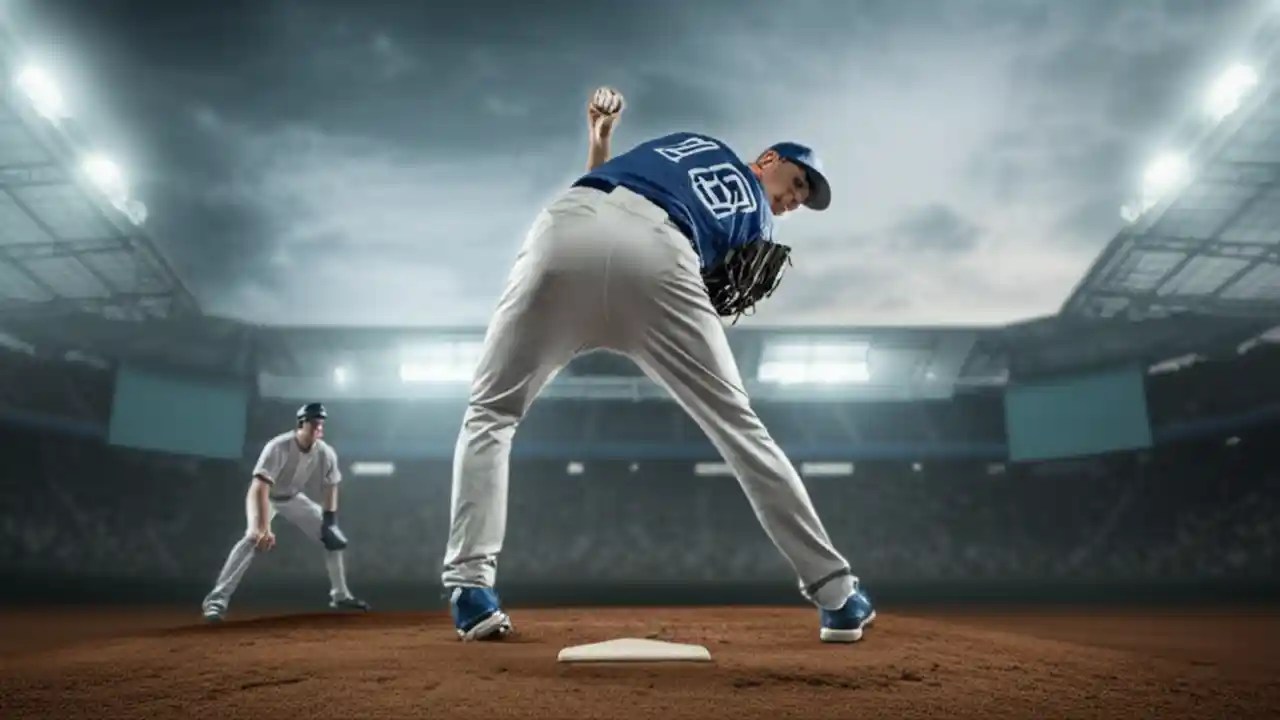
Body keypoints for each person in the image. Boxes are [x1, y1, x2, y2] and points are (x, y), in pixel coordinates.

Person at [441, 87, 874, 643]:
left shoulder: (692, 141)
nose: (793, 199)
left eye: (801, 197)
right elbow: (707, 281)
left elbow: (611, 190)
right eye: (795, 182)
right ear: (767, 159)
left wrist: (599, 139)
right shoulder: (760, 222)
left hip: (566, 228)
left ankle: (470, 592)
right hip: (660, 260)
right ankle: (836, 594)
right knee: (742, 432)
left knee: (491, 413)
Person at [201, 402, 370, 622]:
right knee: (252, 538)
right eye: (314, 422)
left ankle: (340, 595)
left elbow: (331, 486)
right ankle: (216, 602)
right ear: (302, 423)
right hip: (264, 497)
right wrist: (263, 527)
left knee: (333, 539)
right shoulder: (278, 446)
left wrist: (330, 522)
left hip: (292, 498)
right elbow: (260, 487)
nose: (319, 426)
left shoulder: (325, 452)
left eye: (321, 422)